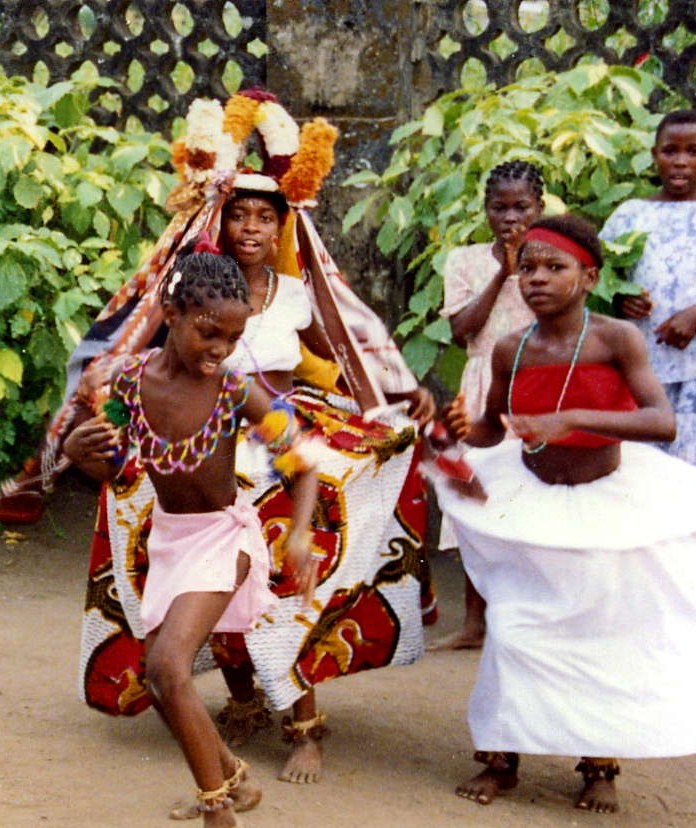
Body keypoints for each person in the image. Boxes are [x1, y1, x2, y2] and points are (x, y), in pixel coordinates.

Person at [74, 91, 435, 793]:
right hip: (204, 449)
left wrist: (395, 393)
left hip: (271, 437)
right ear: (218, 219)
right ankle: (236, 701)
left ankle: (304, 724)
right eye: (237, 214)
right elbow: (130, 397)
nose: (249, 227)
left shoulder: (293, 297)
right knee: (174, 559)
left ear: (282, 227)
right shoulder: (186, 306)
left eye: (264, 217)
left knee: (283, 589)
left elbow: (348, 353)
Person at [435, 213, 696, 814]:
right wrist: (460, 432)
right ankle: (502, 758)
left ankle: (599, 764)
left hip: (604, 504)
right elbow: (492, 428)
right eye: (527, 267)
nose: (537, 279)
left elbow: (662, 421)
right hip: (532, 502)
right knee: (515, 628)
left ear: (589, 277)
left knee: (599, 632)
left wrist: (573, 420)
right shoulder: (511, 348)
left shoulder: (616, 339)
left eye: (554, 267)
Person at [65, 243, 320, 827]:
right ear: (171, 314)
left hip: (223, 539)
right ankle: (233, 779)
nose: (221, 350)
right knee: (159, 681)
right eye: (209, 333)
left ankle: (218, 811)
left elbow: (301, 460)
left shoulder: (235, 390)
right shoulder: (130, 384)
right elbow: (111, 464)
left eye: (233, 338)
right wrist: (80, 450)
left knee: (167, 668)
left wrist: (301, 533)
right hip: (170, 540)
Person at [428, 160, 544, 652]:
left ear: (539, 208)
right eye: (500, 207)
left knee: (534, 499)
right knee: (479, 500)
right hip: (481, 389)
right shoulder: (465, 260)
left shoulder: (550, 260)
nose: (510, 217)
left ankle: (529, 623)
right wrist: (503, 271)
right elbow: (462, 331)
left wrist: (527, 266)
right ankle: (475, 622)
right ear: (485, 210)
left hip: (538, 387)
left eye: (522, 207)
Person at [602, 108, 696, 464]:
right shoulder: (630, 214)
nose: (681, 161)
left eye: (694, 151)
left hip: (695, 370)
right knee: (645, 469)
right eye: (671, 151)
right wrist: (619, 299)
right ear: (655, 155)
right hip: (643, 368)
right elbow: (598, 276)